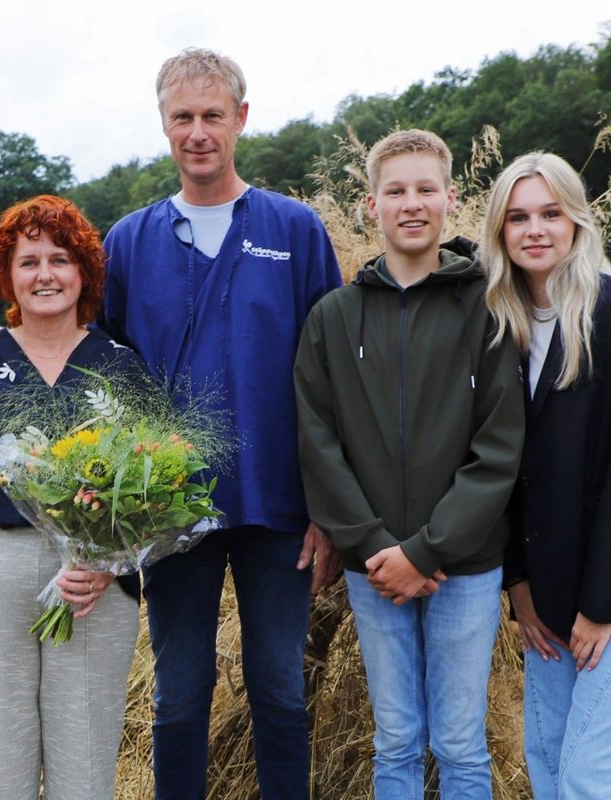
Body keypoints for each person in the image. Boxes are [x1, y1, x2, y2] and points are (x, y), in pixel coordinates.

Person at [101, 48, 343, 799]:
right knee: (178, 696)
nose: (198, 131)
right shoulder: (128, 242)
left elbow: (333, 374)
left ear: (241, 118)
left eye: (212, 115)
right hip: (170, 508)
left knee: (278, 690)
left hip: (279, 505)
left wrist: (327, 510)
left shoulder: (294, 230)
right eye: (183, 117)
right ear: (164, 125)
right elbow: (95, 363)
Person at [294, 129, 525, 799]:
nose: (412, 204)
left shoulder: (488, 307)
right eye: (396, 191)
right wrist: (372, 547)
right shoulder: (334, 317)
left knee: (459, 743)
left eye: (427, 189)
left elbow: (499, 447)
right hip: (376, 569)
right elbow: (318, 441)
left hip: (466, 565)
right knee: (394, 739)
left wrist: (428, 549)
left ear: (451, 199)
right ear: (371, 205)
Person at [0, 195, 141, 800]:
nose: (45, 273)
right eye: (29, 261)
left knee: (87, 770)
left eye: (60, 259)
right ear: (8, 275)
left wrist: (109, 564)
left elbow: (152, 489)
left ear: (84, 273)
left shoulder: (121, 366)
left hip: (93, 583)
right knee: (1, 770)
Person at [481, 152, 611, 799]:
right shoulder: (499, 326)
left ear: (577, 222)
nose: (535, 229)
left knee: (589, 776)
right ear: (500, 231)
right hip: (544, 598)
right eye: (518, 216)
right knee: (550, 764)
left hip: (604, 596)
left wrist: (600, 605)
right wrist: (519, 587)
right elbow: (498, 470)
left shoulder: (606, 311)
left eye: (550, 213)